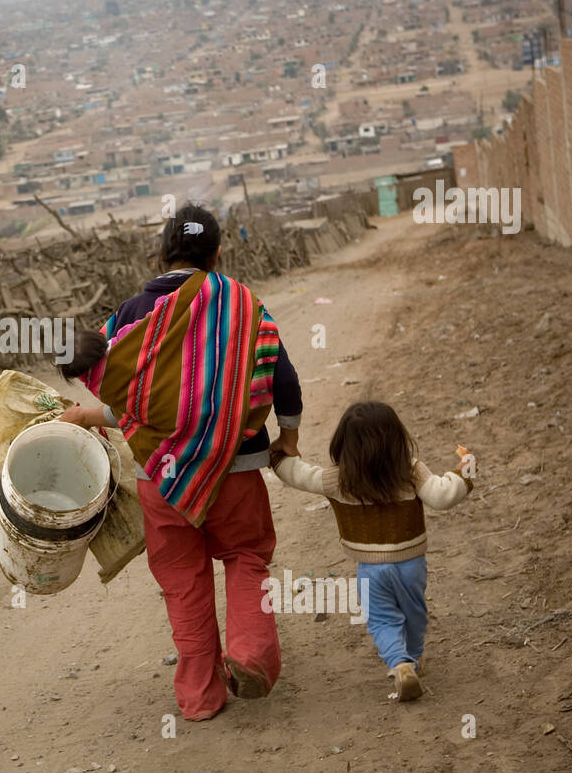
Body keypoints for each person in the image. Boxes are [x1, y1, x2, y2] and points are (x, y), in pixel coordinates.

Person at [59, 203, 302, 721]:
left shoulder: (126, 315)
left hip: (161, 479)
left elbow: (129, 399)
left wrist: (86, 414)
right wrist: (289, 439)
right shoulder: (243, 305)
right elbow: (284, 379)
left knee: (183, 578)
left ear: (162, 252)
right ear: (217, 253)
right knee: (245, 557)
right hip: (235, 471)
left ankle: (198, 696)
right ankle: (250, 654)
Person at [269, 401, 473, 701]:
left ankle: (400, 664)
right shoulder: (410, 471)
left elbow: (298, 474)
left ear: (343, 444)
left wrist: (275, 454)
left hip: (370, 569)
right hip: (410, 564)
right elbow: (443, 495)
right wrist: (466, 468)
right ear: (396, 439)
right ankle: (413, 658)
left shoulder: (338, 479)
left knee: (381, 619)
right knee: (414, 613)